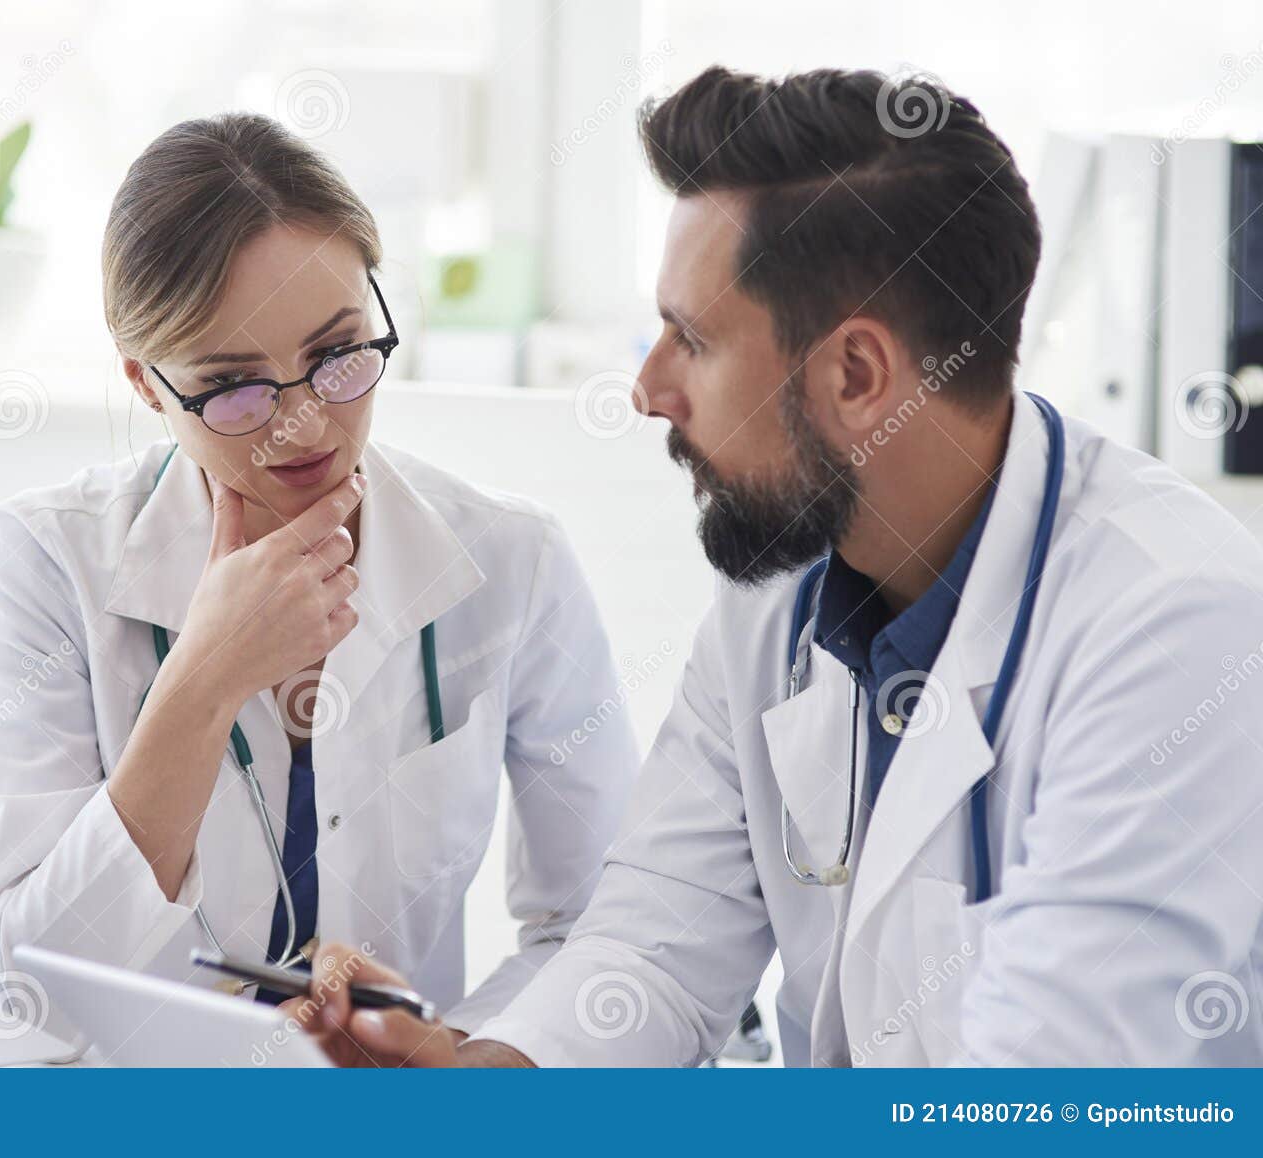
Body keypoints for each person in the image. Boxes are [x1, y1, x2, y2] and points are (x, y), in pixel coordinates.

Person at [290, 66, 1263, 1066]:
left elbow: (1048, 1091)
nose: (646, 389)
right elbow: (655, 945)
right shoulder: (783, 595)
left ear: (854, 374)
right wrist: (486, 1081)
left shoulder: (1174, 626)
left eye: (692, 339)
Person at [0, 113, 639, 1039]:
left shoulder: (513, 560)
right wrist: (202, 681)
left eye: (338, 355)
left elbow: (605, 926)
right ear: (147, 384)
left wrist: (452, 1056)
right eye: (234, 385)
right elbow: (10, 986)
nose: (305, 425)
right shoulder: (49, 561)